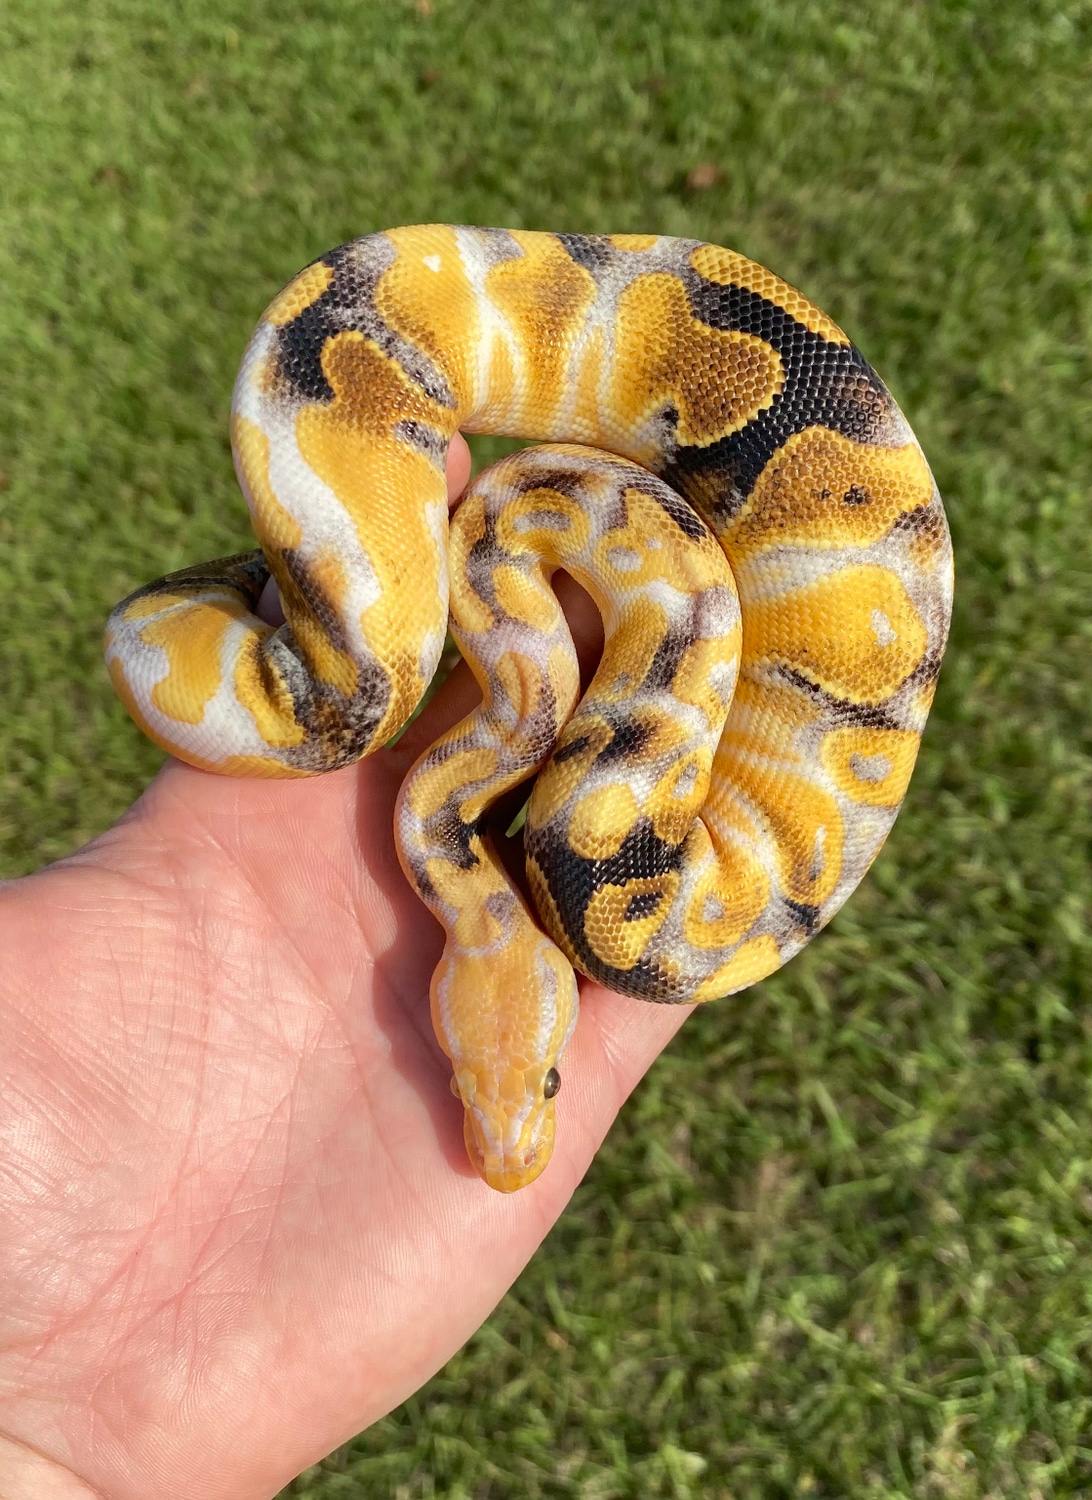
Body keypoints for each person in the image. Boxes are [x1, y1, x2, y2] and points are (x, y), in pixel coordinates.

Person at [0, 434, 691, 1500]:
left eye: (493, 1080)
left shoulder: (459, 820)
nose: (507, 1139)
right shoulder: (449, 817)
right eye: (537, 1079)